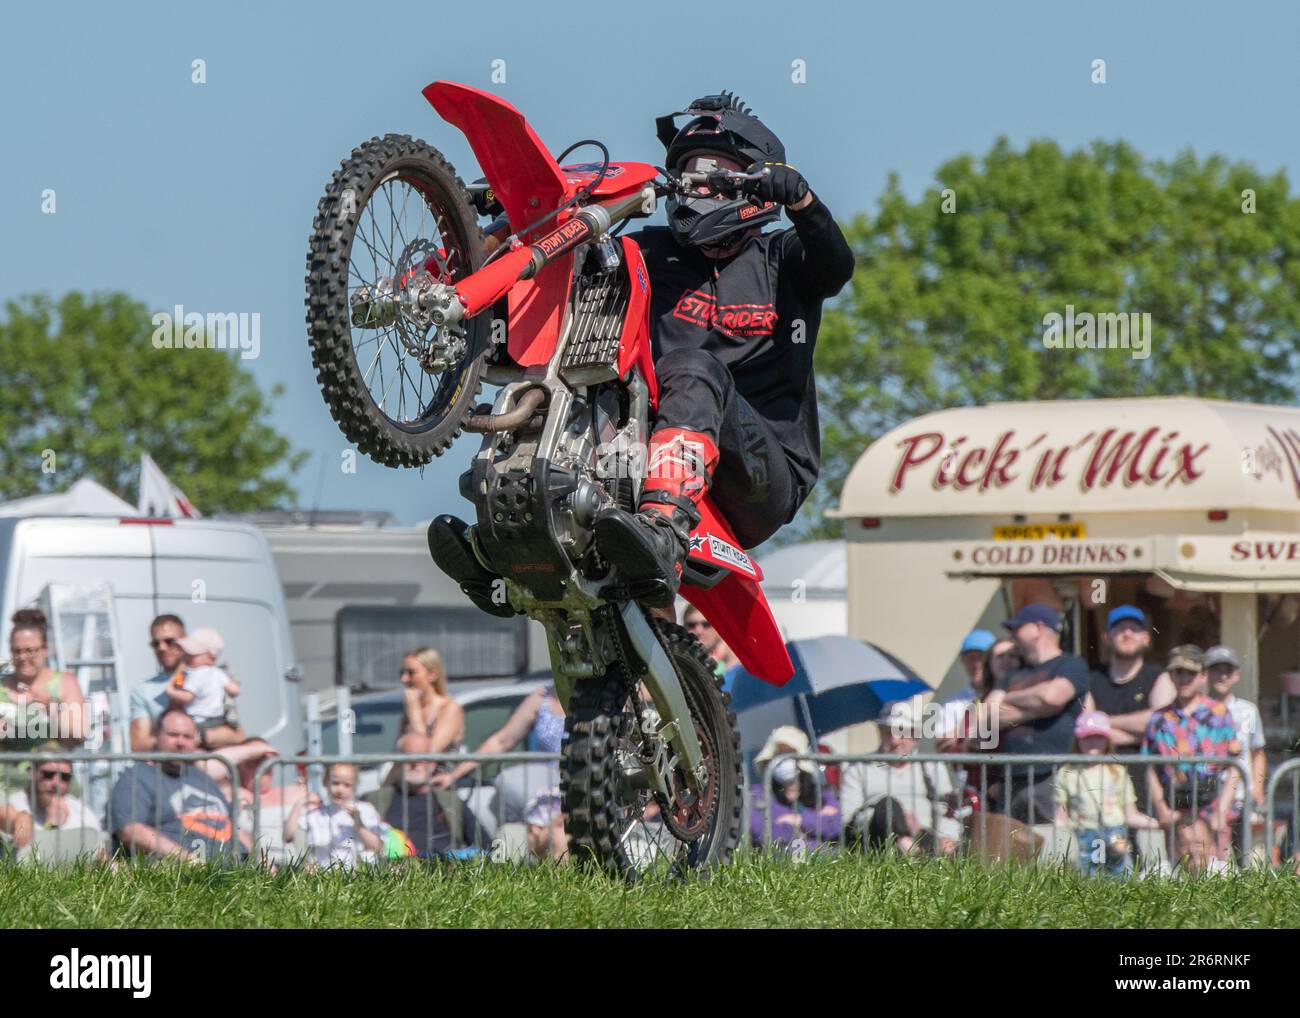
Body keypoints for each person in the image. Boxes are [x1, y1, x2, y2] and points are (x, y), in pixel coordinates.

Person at [429, 90, 856, 613]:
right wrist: (492, 232)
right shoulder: (651, 252)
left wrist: (803, 202)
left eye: (715, 171)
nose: (699, 182)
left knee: (695, 368)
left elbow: (835, 264)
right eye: (689, 170)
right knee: (579, 368)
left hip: (761, 477)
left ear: (753, 180)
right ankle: (507, 548)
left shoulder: (782, 259)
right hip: (649, 455)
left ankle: (662, 524)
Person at [985, 604, 1090, 826]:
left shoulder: (1071, 664)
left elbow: (1052, 697)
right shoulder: (1013, 674)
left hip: (1053, 774)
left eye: (1018, 627)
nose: (1013, 634)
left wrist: (1007, 698)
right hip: (1012, 778)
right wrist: (1038, 708)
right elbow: (988, 715)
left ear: (1039, 627)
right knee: (1010, 850)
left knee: (1056, 846)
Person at [1141, 645, 1241, 873]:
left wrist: (1222, 810)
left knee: (1217, 873)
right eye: (1179, 672)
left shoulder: (1219, 713)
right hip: (1175, 808)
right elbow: (1150, 768)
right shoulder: (1159, 718)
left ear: (1203, 676)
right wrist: (1161, 809)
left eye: (1191, 673)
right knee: (1177, 872)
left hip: (1212, 807)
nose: (1184, 678)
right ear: (1171, 676)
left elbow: (1235, 767)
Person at [110, 708, 250, 860]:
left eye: (187, 736)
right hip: (185, 872)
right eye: (173, 735)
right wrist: (188, 860)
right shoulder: (136, 777)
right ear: (156, 735)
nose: (180, 742)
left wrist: (263, 860)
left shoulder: (203, 778)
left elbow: (235, 828)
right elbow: (131, 830)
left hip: (237, 866)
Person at [840, 702, 961, 855]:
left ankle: (912, 849)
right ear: (880, 733)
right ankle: (910, 850)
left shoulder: (930, 766)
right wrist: (896, 821)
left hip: (924, 837)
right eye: (888, 733)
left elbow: (947, 809)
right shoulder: (859, 768)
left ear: (915, 736)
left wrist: (946, 837)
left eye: (901, 732)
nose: (895, 741)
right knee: (888, 806)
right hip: (874, 842)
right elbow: (848, 817)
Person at [1055, 712, 1160, 877]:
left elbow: (1130, 814)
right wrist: (1061, 838)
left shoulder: (1117, 771)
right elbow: (1061, 814)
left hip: (1115, 830)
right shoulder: (1067, 772)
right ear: (1078, 740)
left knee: (1121, 869)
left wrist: (1157, 823)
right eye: (1087, 737)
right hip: (1083, 832)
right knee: (1089, 875)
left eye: (1098, 737)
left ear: (1107, 740)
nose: (1093, 743)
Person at [1202, 645, 1268, 860]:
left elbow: (1258, 752)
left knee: (1247, 856)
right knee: (1212, 858)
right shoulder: (1199, 711)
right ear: (1205, 674)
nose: (1222, 676)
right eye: (1215, 669)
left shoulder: (1248, 710)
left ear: (1237, 675)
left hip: (1242, 795)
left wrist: (1257, 789)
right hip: (1209, 794)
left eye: (1227, 670)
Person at [374, 732, 479, 858]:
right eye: (408, 756)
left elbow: (485, 843)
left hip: (445, 868)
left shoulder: (451, 801)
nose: (415, 762)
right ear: (397, 761)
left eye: (421, 756)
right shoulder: (374, 800)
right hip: (393, 869)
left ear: (433, 763)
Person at [1, 608, 87, 763]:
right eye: (16, 651)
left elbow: (78, 736)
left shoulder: (64, 683)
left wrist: (51, 710)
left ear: (45, 650)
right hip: (6, 782)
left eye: (30, 651)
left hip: (51, 780)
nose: (22, 657)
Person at [1084, 606, 1175, 751]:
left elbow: (1162, 722)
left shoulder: (1159, 676)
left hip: (1147, 771)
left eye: (1134, 628)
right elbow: (1086, 727)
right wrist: (1142, 734)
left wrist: (1104, 722)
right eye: (1120, 628)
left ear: (1146, 639)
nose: (1127, 634)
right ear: (1107, 638)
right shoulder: (1092, 678)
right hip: (1102, 770)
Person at [284, 762, 385, 869]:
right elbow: (287, 835)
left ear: (355, 786)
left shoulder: (364, 809)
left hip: (358, 872)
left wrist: (358, 823)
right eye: (335, 783)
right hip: (325, 873)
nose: (340, 790)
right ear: (325, 783)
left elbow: (377, 846)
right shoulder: (318, 812)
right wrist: (299, 804)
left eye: (347, 785)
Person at [165, 627, 243, 749]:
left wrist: (170, 691)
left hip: (198, 722)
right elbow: (235, 690)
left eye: (193, 654)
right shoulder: (218, 672)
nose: (187, 657)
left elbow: (187, 697)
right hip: (218, 721)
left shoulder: (196, 675)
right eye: (187, 653)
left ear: (211, 658)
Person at [130, 614, 187, 752]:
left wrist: (196, 737)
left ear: (185, 640)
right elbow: (138, 745)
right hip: (166, 771)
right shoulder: (143, 690)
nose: (161, 648)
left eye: (169, 641)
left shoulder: (210, 677)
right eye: (156, 644)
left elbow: (236, 735)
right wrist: (174, 741)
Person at [396, 647, 464, 758]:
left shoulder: (449, 708)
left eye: (411, 672)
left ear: (432, 675)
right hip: (409, 775)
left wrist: (414, 714)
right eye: (402, 672)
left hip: (437, 774)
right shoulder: (410, 709)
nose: (404, 679)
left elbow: (427, 755)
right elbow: (398, 756)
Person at [935, 629, 999, 748]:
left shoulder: (1008, 692)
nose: (976, 664)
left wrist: (959, 734)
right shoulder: (953, 702)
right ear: (963, 662)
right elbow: (942, 744)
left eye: (981, 658)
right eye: (970, 658)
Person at [683, 605, 737, 679]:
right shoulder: (678, 661)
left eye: (706, 624)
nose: (699, 631)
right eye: (692, 625)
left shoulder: (736, 665)